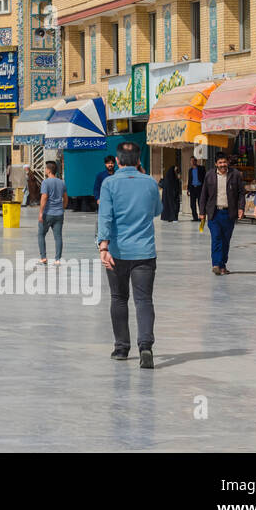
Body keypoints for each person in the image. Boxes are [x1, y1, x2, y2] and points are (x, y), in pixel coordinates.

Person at [97, 142, 160, 369]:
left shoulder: (109, 183)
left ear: (118, 160)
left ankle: (122, 348)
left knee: (119, 298)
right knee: (144, 300)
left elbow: (105, 216)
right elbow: (157, 211)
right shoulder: (151, 182)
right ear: (139, 160)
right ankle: (146, 347)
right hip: (144, 251)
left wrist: (103, 246)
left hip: (117, 252)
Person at [201, 154, 244, 276]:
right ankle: (216, 264)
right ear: (216, 164)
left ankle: (222, 265)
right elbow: (203, 194)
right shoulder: (209, 175)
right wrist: (202, 212)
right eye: (220, 163)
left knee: (226, 240)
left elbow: (241, 193)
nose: (222, 165)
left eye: (224, 162)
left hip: (229, 213)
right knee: (216, 238)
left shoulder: (235, 174)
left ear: (228, 162)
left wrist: (241, 208)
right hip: (214, 213)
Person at [37, 160, 67, 264]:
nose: (45, 170)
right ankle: (57, 259)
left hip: (47, 214)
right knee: (58, 237)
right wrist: (62, 208)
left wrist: (41, 212)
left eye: (45, 168)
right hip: (59, 214)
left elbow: (44, 198)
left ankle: (43, 257)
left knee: (41, 234)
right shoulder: (61, 182)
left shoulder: (45, 182)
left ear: (49, 170)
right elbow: (66, 198)